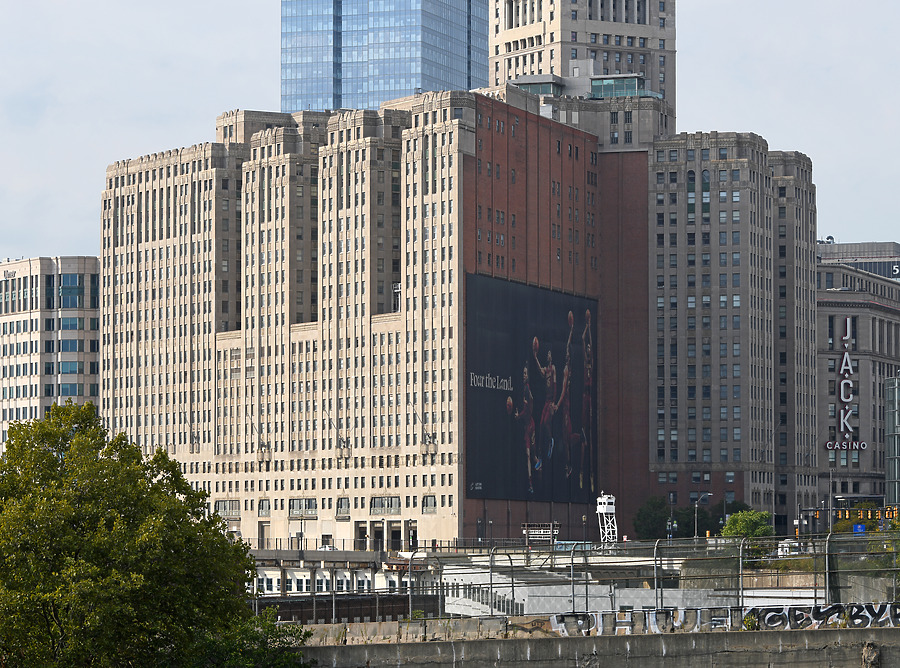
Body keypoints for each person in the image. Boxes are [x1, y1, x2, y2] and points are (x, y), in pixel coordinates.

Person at [533, 344, 557, 469]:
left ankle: (551, 441)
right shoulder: (546, 370)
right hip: (545, 401)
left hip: (550, 401)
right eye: (547, 353)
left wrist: (554, 402)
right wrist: (535, 357)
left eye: (549, 353)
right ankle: (541, 456)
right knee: (541, 426)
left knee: (546, 424)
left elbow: (555, 385)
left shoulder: (553, 369)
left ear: (551, 356)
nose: (547, 355)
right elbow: (540, 370)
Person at [513, 364, 536, 494]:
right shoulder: (522, 389)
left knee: (532, 455)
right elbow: (525, 410)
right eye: (523, 373)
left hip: (531, 425)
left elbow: (529, 405)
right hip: (526, 427)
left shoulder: (527, 389)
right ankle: (530, 482)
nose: (524, 375)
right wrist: (519, 416)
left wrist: (521, 414)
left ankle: (538, 462)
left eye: (526, 373)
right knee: (528, 454)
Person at [581, 311, 594, 491]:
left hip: (590, 397)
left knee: (589, 439)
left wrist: (590, 329)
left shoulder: (592, 362)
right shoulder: (585, 361)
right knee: (584, 435)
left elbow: (590, 342)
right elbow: (584, 341)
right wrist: (587, 326)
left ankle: (589, 474)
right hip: (584, 397)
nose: (589, 351)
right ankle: (582, 473)